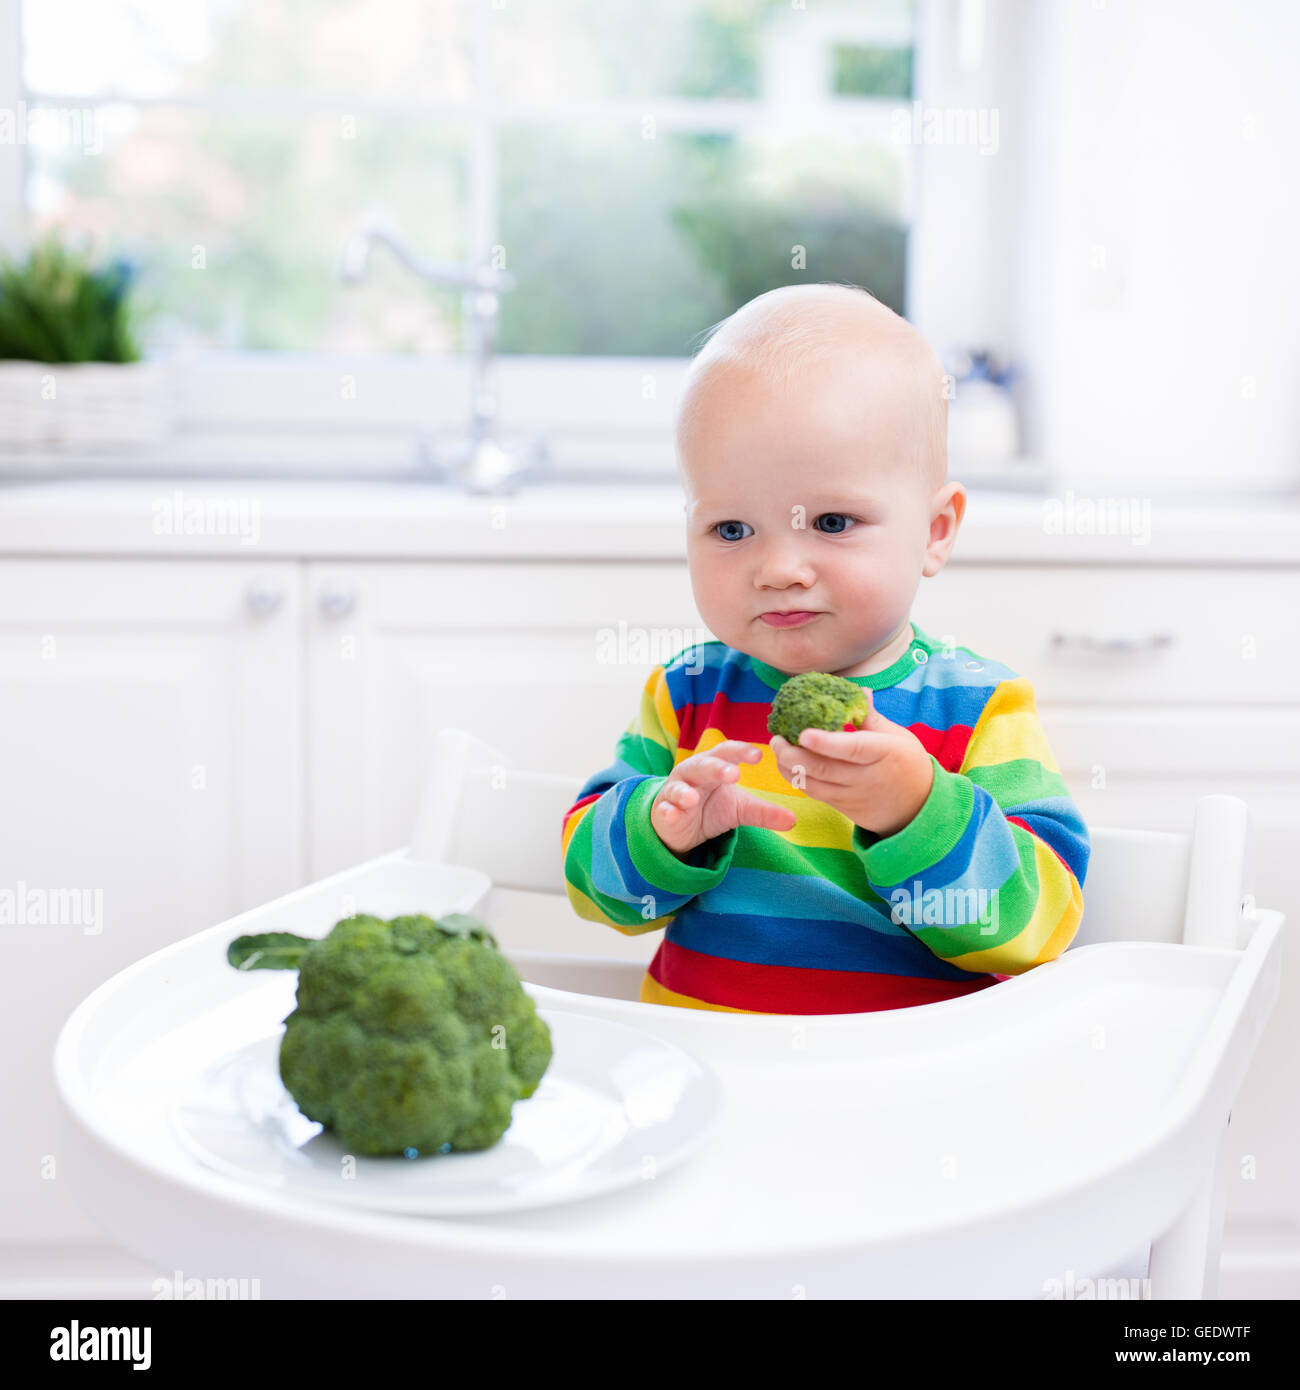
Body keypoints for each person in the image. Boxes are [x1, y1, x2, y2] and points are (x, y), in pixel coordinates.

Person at [561, 283, 1089, 1013]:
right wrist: (660, 828)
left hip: (901, 1090)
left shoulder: (977, 706)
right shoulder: (685, 696)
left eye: (833, 522)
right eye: (732, 530)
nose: (779, 569)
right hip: (706, 1075)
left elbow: (1037, 925)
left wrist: (916, 810)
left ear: (935, 531)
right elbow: (601, 895)